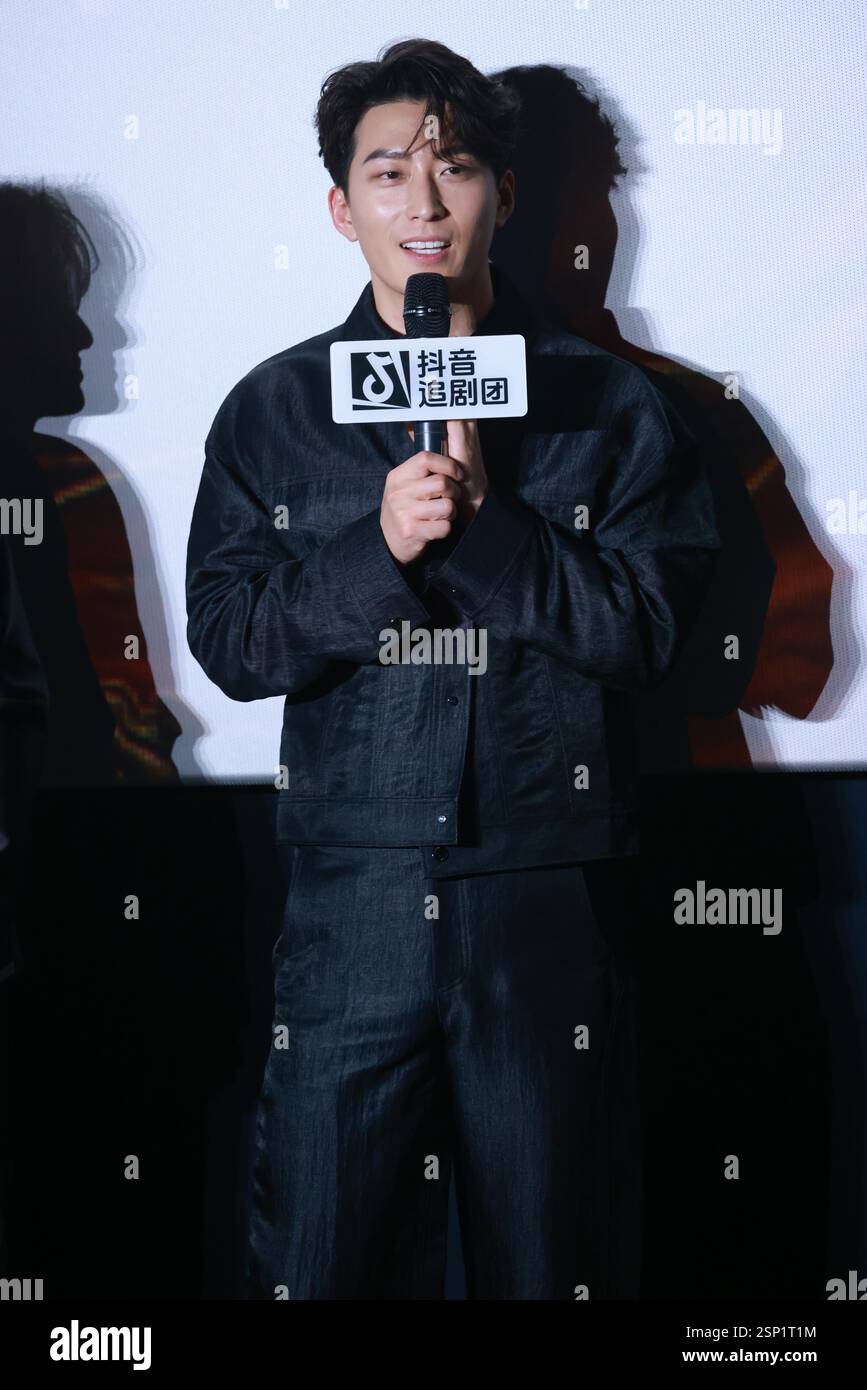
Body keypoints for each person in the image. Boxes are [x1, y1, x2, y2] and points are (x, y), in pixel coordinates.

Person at [185, 38, 720, 1300]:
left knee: (554, 1259)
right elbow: (230, 643)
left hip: (547, 893)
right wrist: (376, 546)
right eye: (387, 174)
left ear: (506, 197)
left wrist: (491, 533)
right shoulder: (274, 409)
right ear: (340, 206)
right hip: (352, 899)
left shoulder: (614, 404)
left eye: (457, 169)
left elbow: (644, 634)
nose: (424, 205)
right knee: (316, 1255)